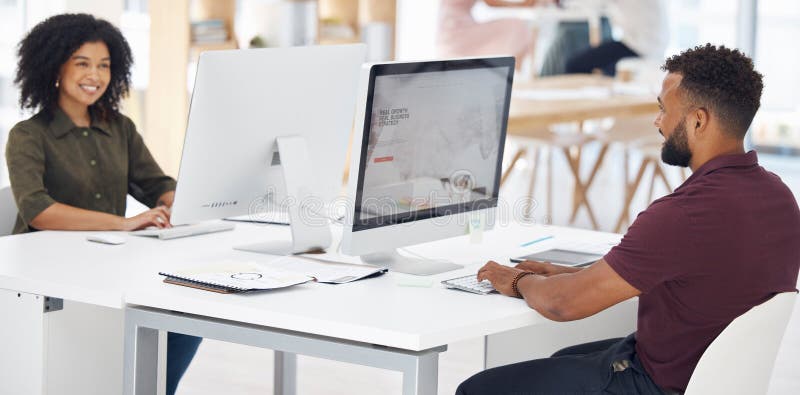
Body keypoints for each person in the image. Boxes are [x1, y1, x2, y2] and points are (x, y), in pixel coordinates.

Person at [457, 44, 800, 394]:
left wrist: (516, 281)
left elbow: (562, 305)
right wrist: (563, 274)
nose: (657, 121)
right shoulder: (780, 199)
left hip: (654, 383)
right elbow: (695, 281)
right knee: (564, 357)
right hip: (711, 377)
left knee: (477, 389)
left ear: (698, 120)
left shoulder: (681, 215)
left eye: (664, 110)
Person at [6, 13, 200, 395]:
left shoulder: (120, 128)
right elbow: (38, 211)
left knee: (185, 311)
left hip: (108, 263)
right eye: (82, 63)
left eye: (104, 65)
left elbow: (155, 183)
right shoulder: (27, 136)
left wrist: (182, 202)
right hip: (46, 273)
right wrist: (123, 222)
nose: (95, 74)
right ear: (54, 67)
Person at [564, 0, 668, 76]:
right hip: (651, 45)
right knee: (604, 68)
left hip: (637, 46)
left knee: (574, 65)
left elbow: (590, 2)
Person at [437, 0, 548, 67]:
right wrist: (528, 4)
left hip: (453, 27)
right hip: (455, 28)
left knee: (517, 26)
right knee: (516, 26)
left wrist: (528, 4)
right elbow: (492, 2)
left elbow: (491, 3)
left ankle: (514, 77)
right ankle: (514, 78)